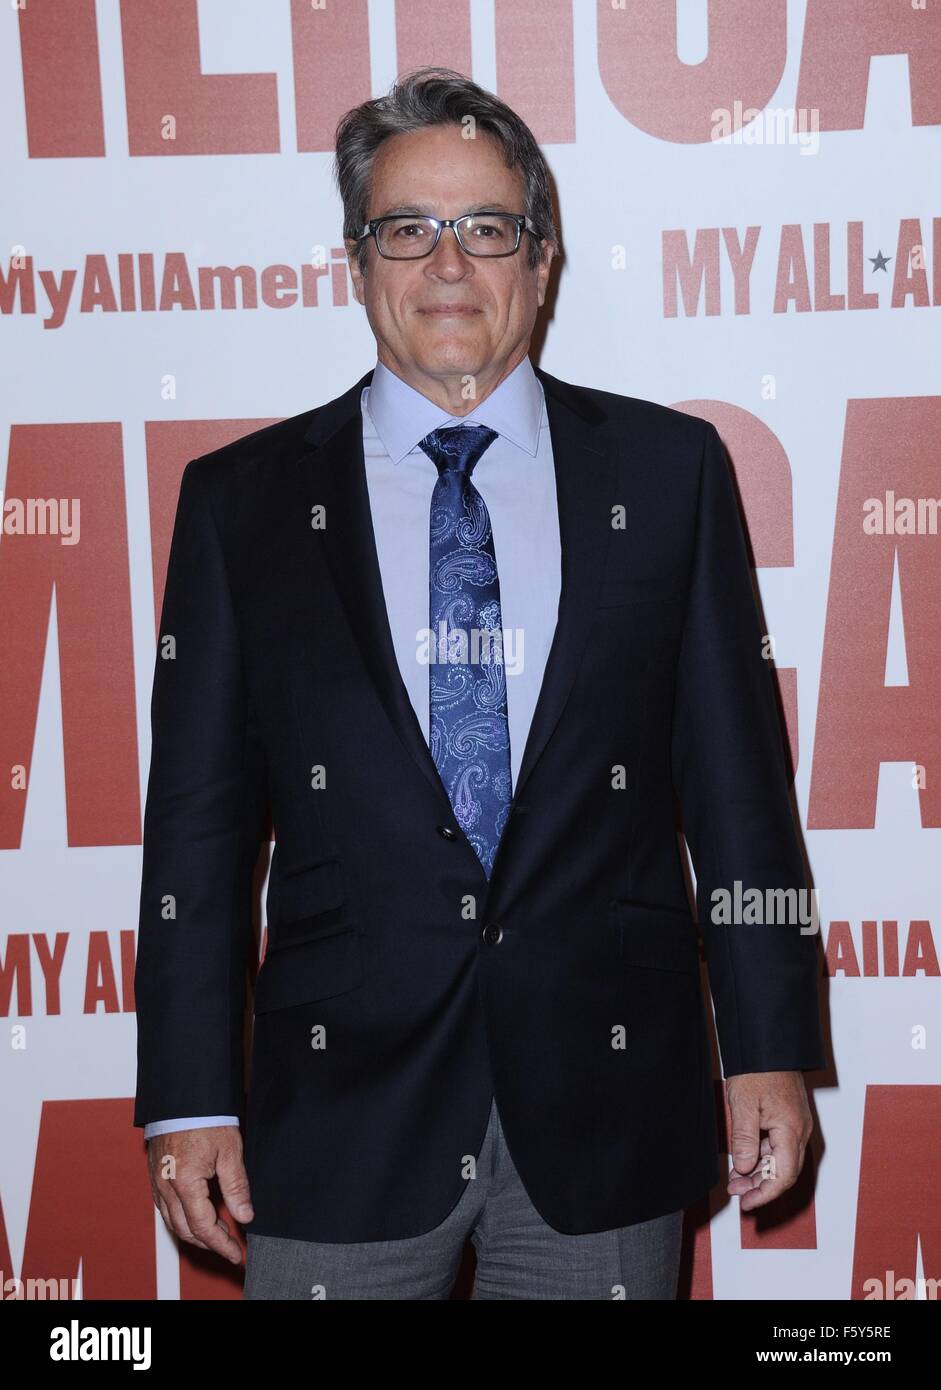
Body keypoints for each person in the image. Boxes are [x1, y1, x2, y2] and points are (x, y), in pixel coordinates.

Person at [134, 67, 825, 1301]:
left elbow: (739, 794)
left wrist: (767, 1042)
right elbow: (194, 833)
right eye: (407, 229)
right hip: (339, 1108)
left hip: (603, 1106)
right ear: (358, 263)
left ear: (539, 261)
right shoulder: (238, 505)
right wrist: (186, 1090)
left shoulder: (670, 475)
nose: (446, 265)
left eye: (485, 229)